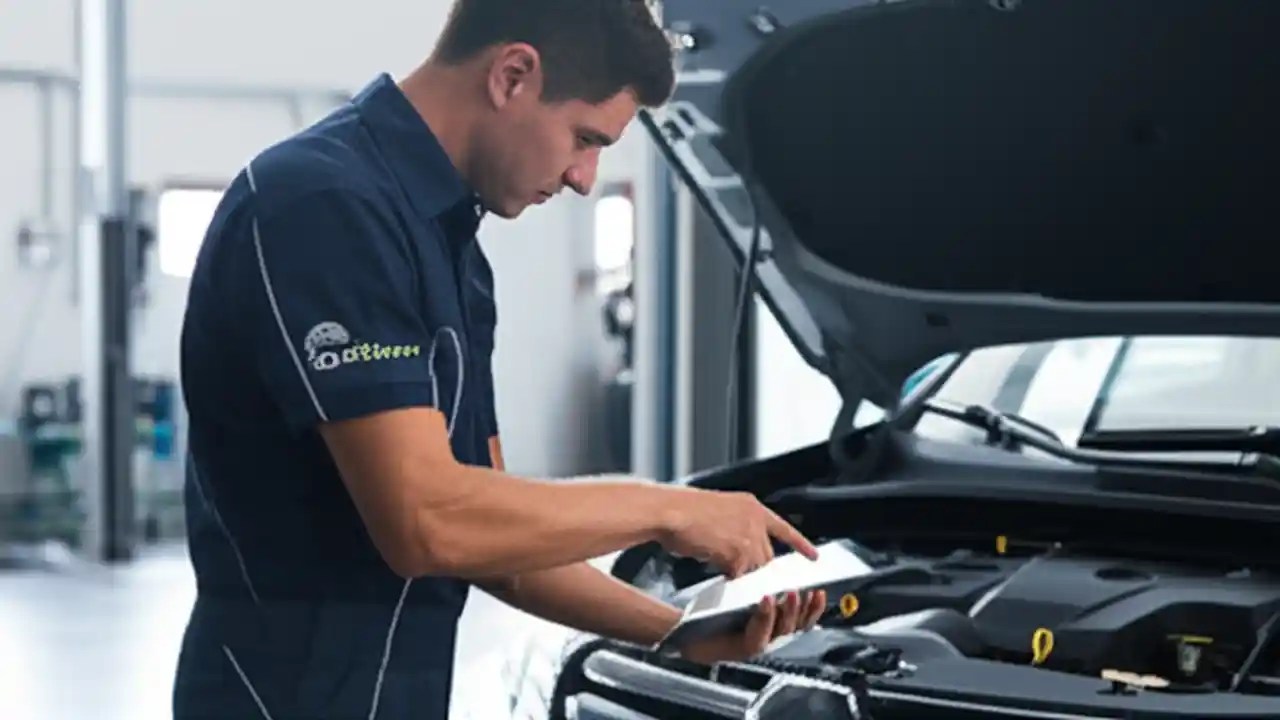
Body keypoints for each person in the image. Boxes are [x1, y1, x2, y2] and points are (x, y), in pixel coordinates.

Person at [172, 2, 826, 718]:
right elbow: (427, 521)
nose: (585, 177)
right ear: (513, 75)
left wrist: (677, 633)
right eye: (584, 137)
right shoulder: (322, 203)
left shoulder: (452, 248)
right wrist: (668, 508)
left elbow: (494, 542)